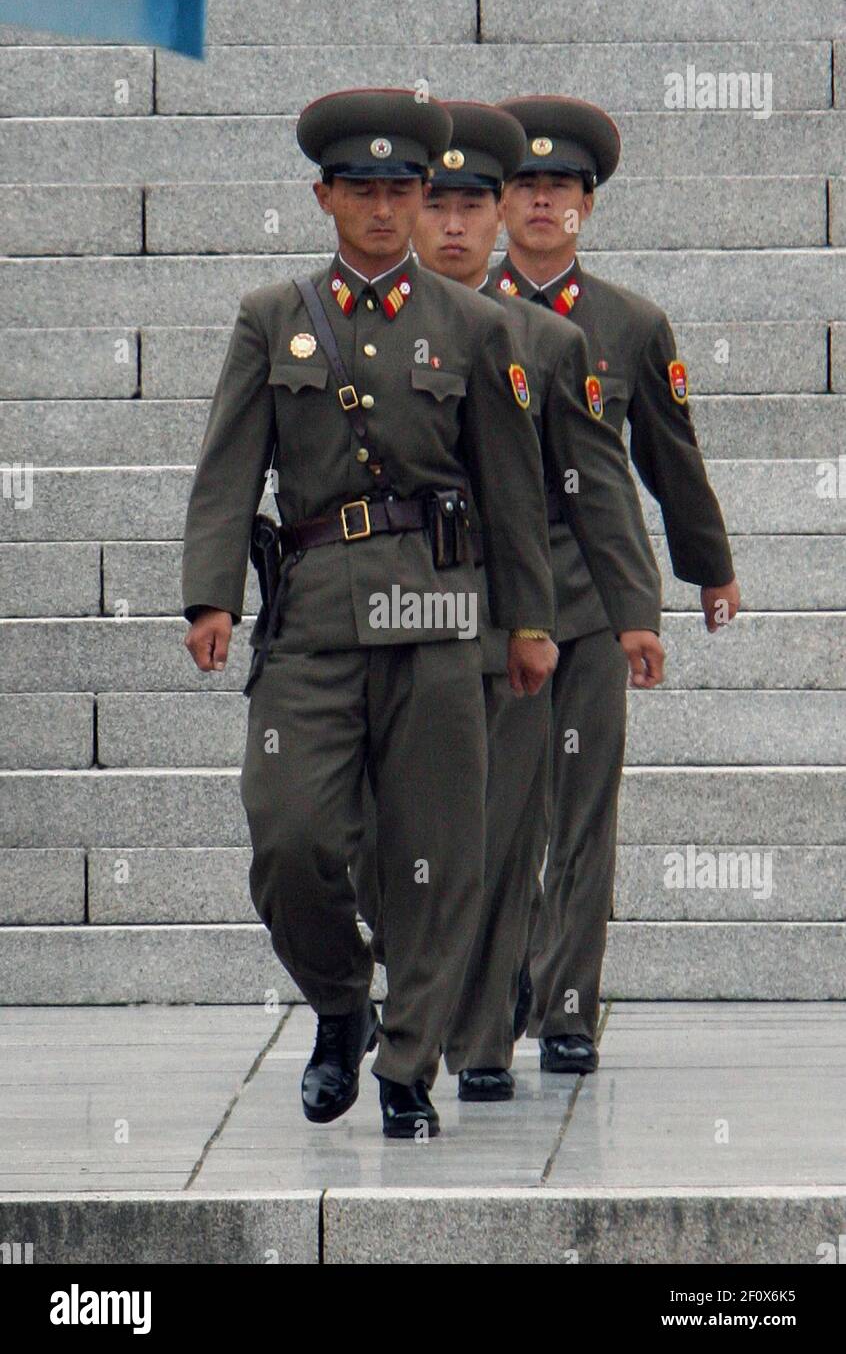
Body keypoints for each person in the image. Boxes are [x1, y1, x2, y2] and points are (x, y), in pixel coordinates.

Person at [180, 88, 558, 1138]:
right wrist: (211, 592)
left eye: (404, 189)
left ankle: (407, 1062)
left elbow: (513, 487)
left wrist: (527, 621)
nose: (388, 209)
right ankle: (342, 1003)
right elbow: (227, 469)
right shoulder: (273, 321)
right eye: (365, 190)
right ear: (325, 196)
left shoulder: (476, 327)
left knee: (440, 853)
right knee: (289, 834)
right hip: (311, 620)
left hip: (438, 617)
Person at [355, 99, 664, 1102]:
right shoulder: (353, 330)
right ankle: (400, 995)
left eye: (466, 205)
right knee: (376, 830)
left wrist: (632, 608)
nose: (448, 224)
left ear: (492, 218)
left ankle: (481, 1040)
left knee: (504, 826)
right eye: (431, 202)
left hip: (513, 617)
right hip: (389, 612)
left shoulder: (550, 342)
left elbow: (598, 485)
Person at [495, 94, 741, 1073]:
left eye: (562, 188)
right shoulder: (457, 308)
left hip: (591, 603)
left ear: (586, 206)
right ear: (500, 202)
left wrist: (709, 566)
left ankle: (564, 1008)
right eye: (527, 186)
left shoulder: (630, 323)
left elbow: (669, 460)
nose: (545, 202)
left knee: (582, 809)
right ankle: (491, 988)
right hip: (488, 602)